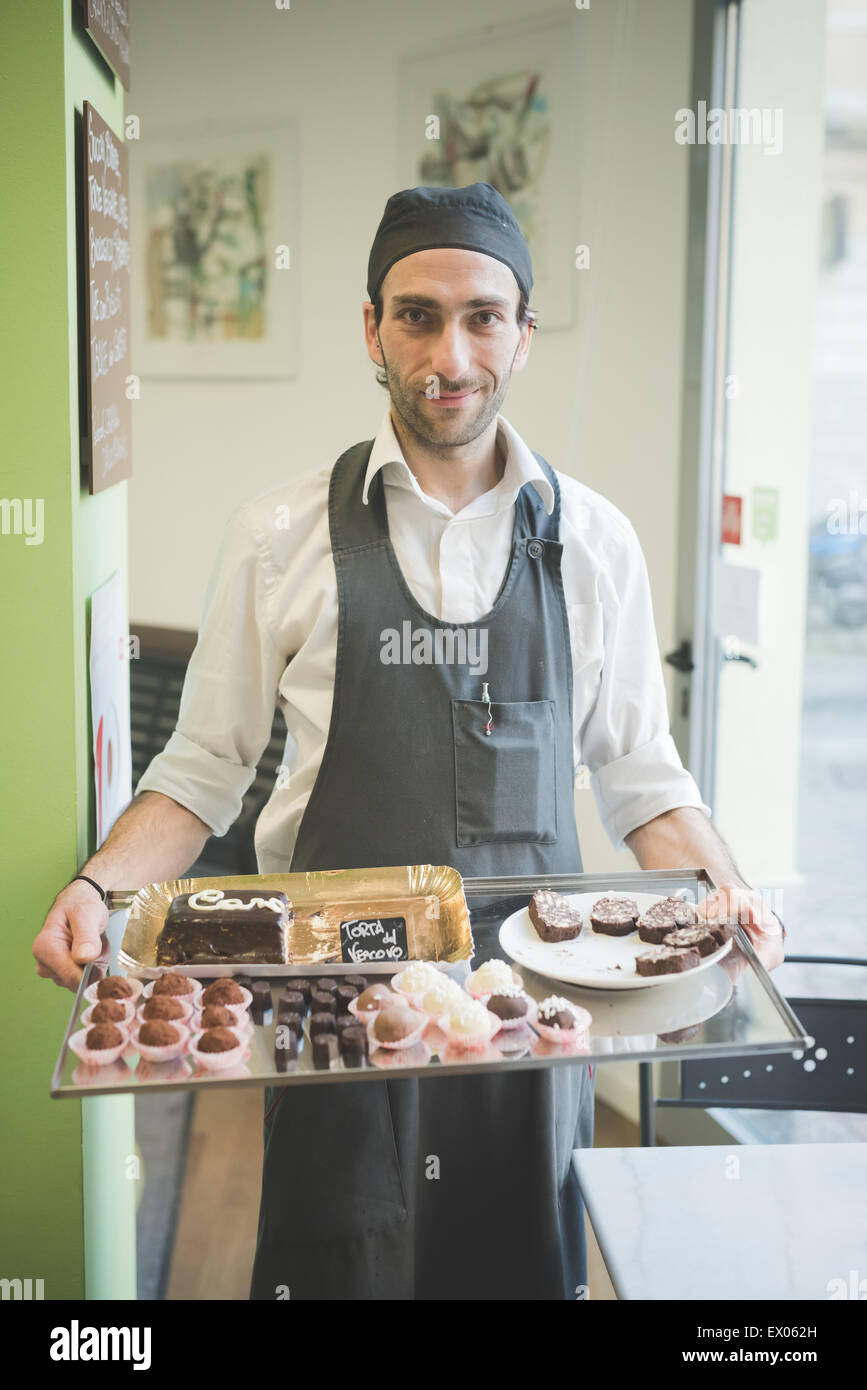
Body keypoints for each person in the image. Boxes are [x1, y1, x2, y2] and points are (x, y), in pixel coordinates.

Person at [34, 183, 785, 1301]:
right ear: (372, 329)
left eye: (483, 316)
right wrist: (97, 884)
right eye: (418, 314)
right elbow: (200, 771)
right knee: (336, 1268)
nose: (450, 352)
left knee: (515, 1272)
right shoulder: (277, 535)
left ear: (524, 335)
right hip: (332, 1015)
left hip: (531, 1015)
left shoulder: (594, 544)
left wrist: (731, 891)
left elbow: (639, 774)